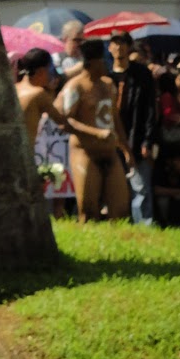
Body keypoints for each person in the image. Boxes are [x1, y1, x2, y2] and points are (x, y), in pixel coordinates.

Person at [57, 38, 132, 223]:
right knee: (88, 211)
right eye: (104, 60)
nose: (108, 64)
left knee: (121, 210)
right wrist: (95, 132)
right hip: (85, 152)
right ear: (92, 63)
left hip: (110, 152)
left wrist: (126, 149)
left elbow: (115, 119)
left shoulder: (108, 85)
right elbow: (65, 121)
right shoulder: (75, 87)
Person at [108, 31, 160, 226]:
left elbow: (149, 110)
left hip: (136, 136)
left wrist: (148, 139)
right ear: (109, 47)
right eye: (115, 43)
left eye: (123, 43)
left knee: (141, 186)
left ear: (129, 47)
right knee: (115, 186)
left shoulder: (141, 74)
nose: (119, 48)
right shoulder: (106, 75)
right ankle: (118, 223)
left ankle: (144, 226)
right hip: (112, 138)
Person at [15, 49, 69, 147]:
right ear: (41, 71)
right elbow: (61, 121)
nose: (52, 75)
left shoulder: (15, 88)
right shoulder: (38, 94)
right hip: (27, 155)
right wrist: (61, 95)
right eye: (51, 70)